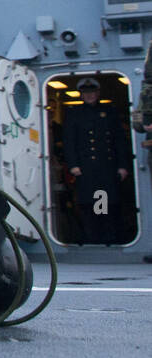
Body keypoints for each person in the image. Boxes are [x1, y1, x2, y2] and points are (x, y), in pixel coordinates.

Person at [61, 77, 132, 244]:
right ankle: (93, 238)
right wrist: (73, 165)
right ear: (81, 95)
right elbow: (69, 142)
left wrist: (123, 165)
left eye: (92, 92)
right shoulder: (74, 114)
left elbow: (119, 141)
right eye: (86, 93)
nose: (90, 95)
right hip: (85, 168)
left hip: (107, 167)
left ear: (98, 93)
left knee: (107, 203)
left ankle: (108, 237)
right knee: (88, 204)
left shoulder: (109, 112)